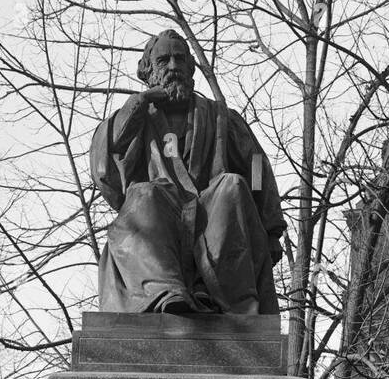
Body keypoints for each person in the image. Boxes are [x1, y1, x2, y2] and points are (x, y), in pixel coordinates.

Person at [89, 29, 285, 314]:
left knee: (231, 185)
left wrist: (269, 226)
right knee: (145, 192)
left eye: (180, 59)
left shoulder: (220, 117)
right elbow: (108, 156)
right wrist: (140, 103)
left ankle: (213, 292)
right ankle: (164, 293)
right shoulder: (138, 115)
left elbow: (255, 164)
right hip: (159, 215)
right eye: (163, 61)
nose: (173, 67)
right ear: (148, 72)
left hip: (212, 209)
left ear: (191, 67)